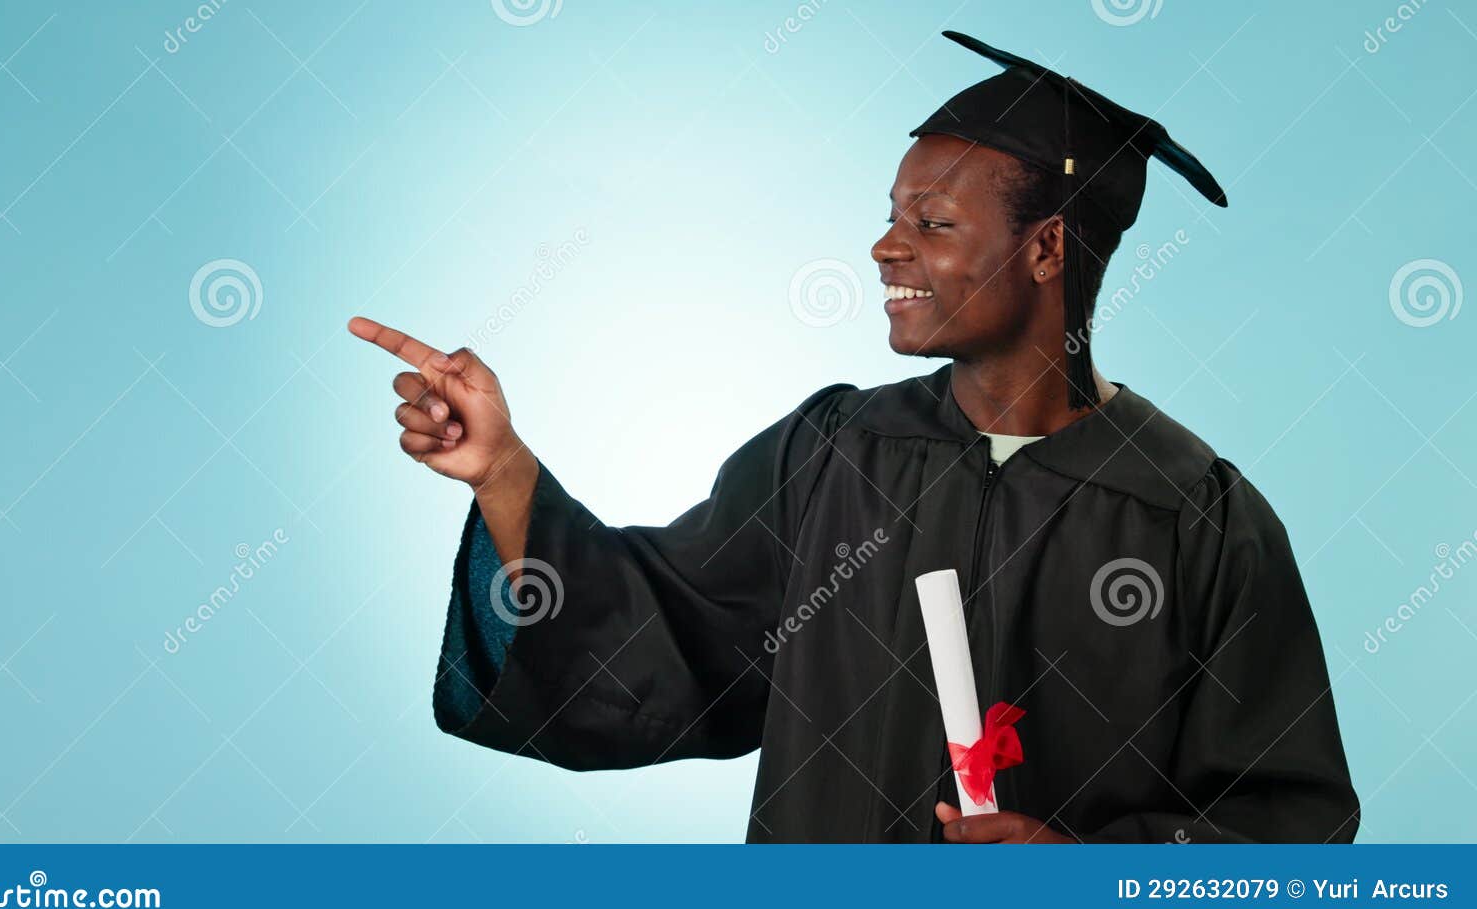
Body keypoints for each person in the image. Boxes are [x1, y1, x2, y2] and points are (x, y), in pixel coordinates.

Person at [349, 32, 1359, 843]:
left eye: (932, 223)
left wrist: (1082, 874)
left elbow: (1282, 824)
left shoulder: (1193, 516)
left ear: (1047, 247)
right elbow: (665, 634)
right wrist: (506, 473)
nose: (885, 247)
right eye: (891, 216)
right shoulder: (834, 453)